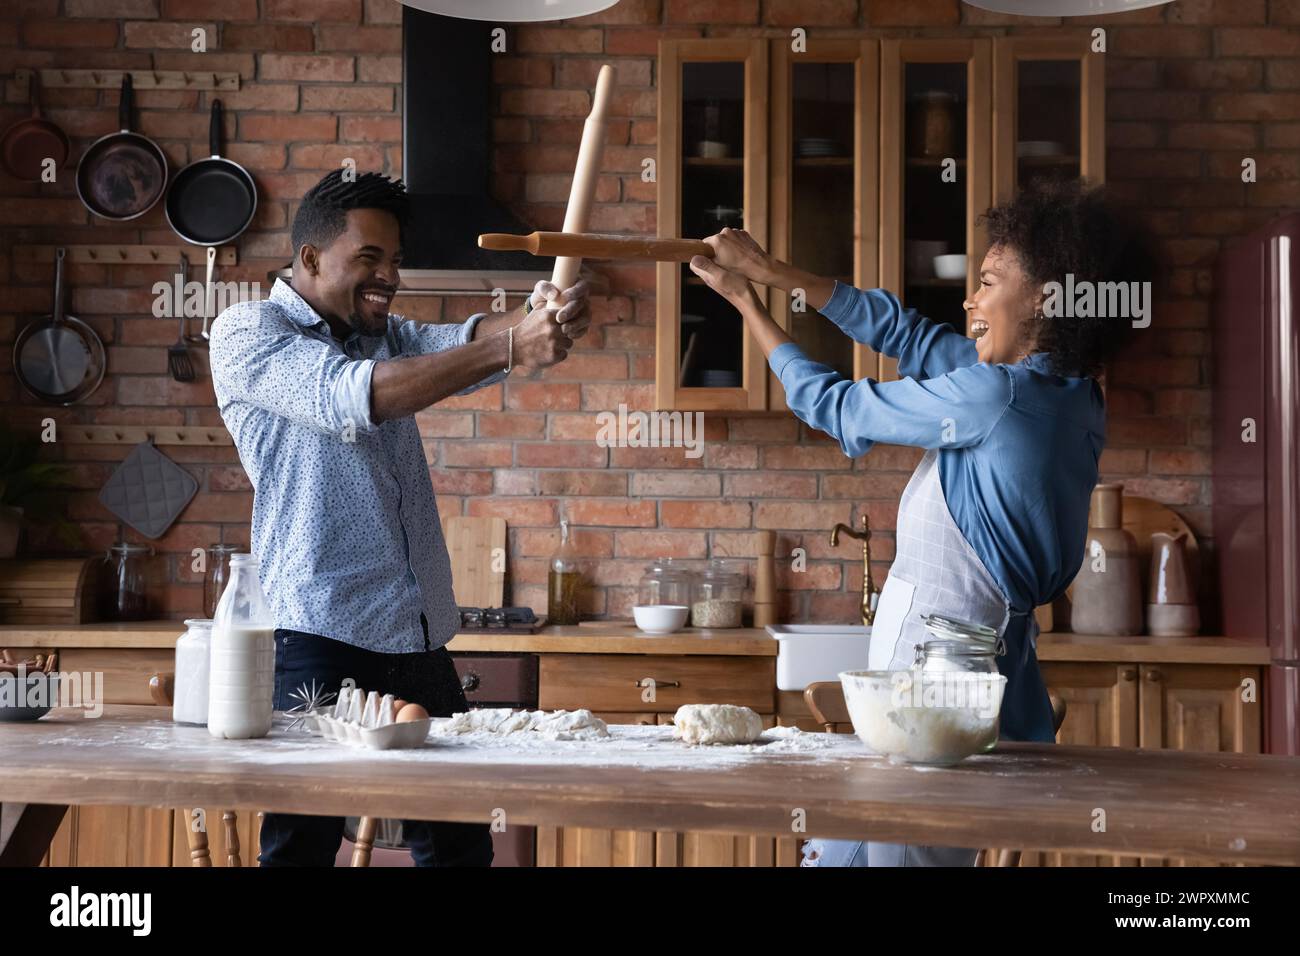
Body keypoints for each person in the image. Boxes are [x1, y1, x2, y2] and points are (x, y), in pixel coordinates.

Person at [689, 179, 1156, 866]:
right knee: (843, 850)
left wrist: (745, 305)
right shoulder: (1066, 394)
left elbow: (836, 407)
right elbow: (902, 333)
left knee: (900, 854)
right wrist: (771, 271)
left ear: (1046, 301)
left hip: (936, 686)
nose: (971, 299)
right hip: (947, 679)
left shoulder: (994, 396)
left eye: (990, 281)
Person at [210, 170, 590, 866]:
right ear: (311, 259)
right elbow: (357, 398)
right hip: (317, 631)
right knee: (300, 848)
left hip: (412, 632)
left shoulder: (377, 331)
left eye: (395, 261)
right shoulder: (248, 332)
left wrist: (539, 317)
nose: (389, 277)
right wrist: (513, 345)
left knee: (458, 847)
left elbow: (464, 341)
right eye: (369, 260)